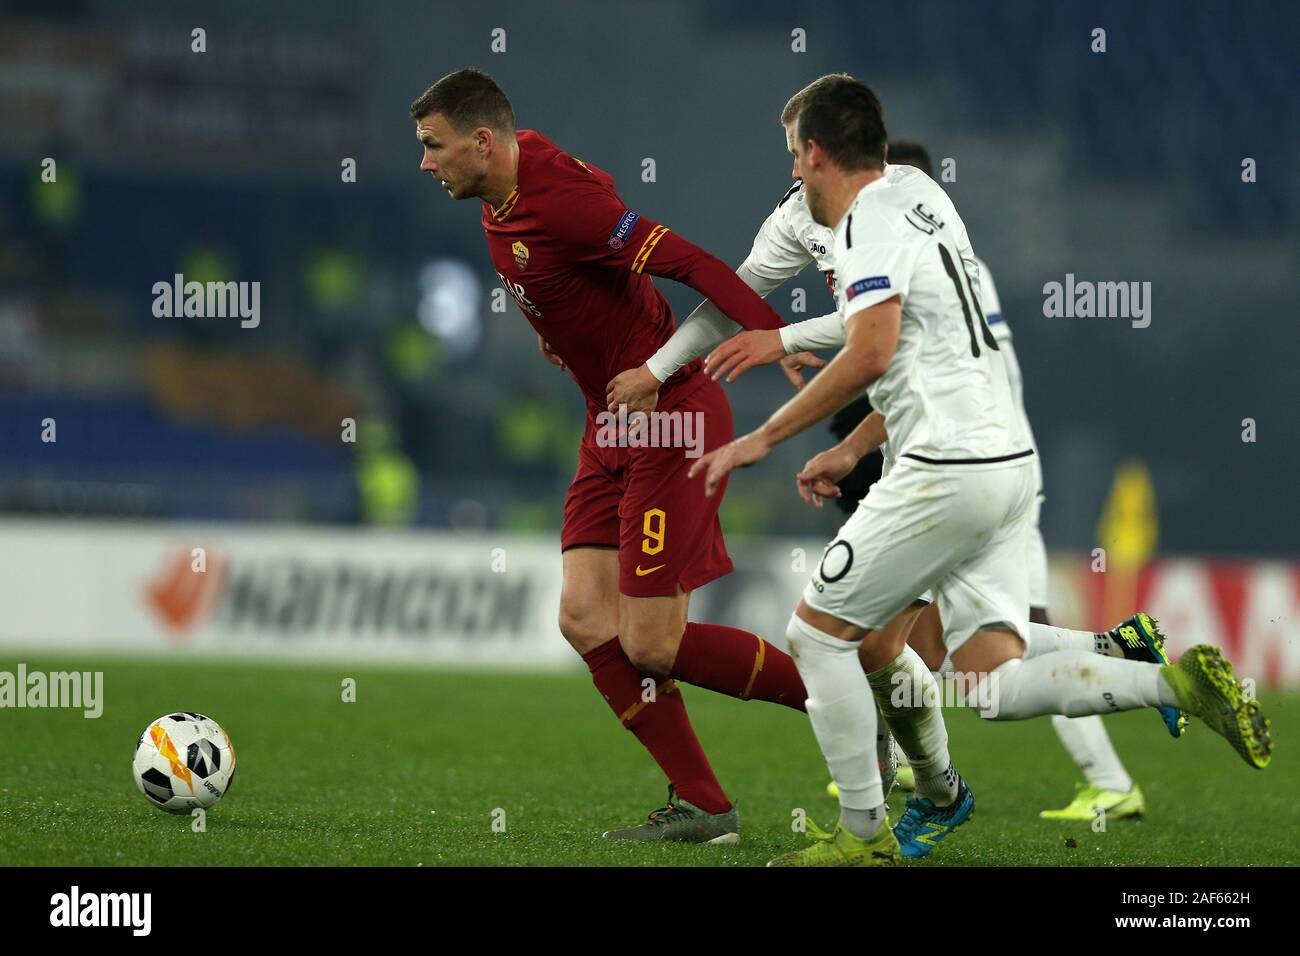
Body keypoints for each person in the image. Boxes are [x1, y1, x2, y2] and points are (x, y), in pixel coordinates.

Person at [685, 74, 1270, 867]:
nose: (793, 173)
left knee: (818, 634)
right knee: (986, 679)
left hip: (943, 469)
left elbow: (872, 350)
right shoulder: (927, 198)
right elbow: (918, 352)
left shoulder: (864, 227)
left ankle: (870, 831)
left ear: (818, 154)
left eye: (795, 156)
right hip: (1003, 465)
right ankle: (1169, 685)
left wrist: (766, 435)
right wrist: (851, 447)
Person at [410, 68, 824, 844]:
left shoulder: (562, 200)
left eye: (434, 147)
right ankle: (705, 805)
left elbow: (691, 262)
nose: (426, 164)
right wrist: (555, 320)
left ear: (483, 141)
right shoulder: (511, 182)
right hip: (609, 423)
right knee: (582, 616)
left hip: (669, 418)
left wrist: (776, 337)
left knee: (651, 643)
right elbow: (556, 254)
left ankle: (837, 696)